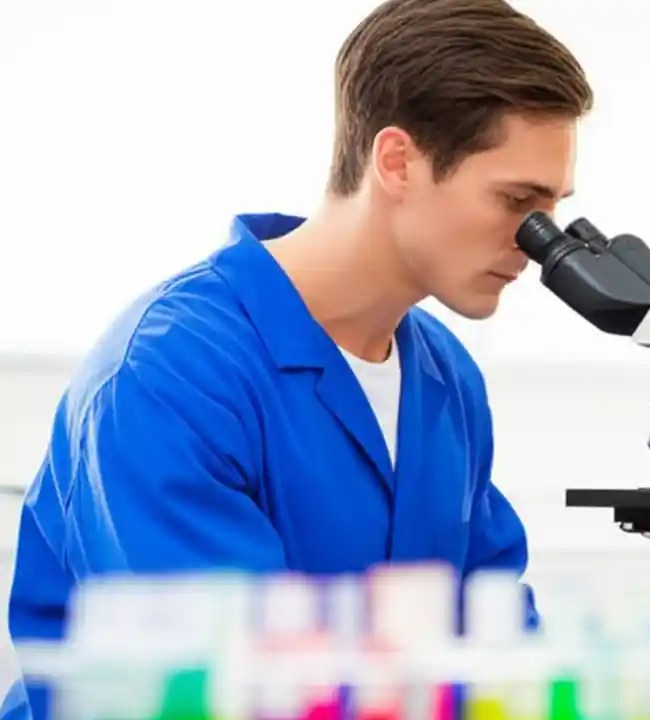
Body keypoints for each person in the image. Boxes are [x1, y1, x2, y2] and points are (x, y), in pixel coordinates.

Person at [3, 1, 592, 717]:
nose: (536, 242)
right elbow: (229, 689)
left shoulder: (444, 379)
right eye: (516, 202)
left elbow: (493, 636)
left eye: (552, 208)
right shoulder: (169, 373)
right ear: (398, 162)